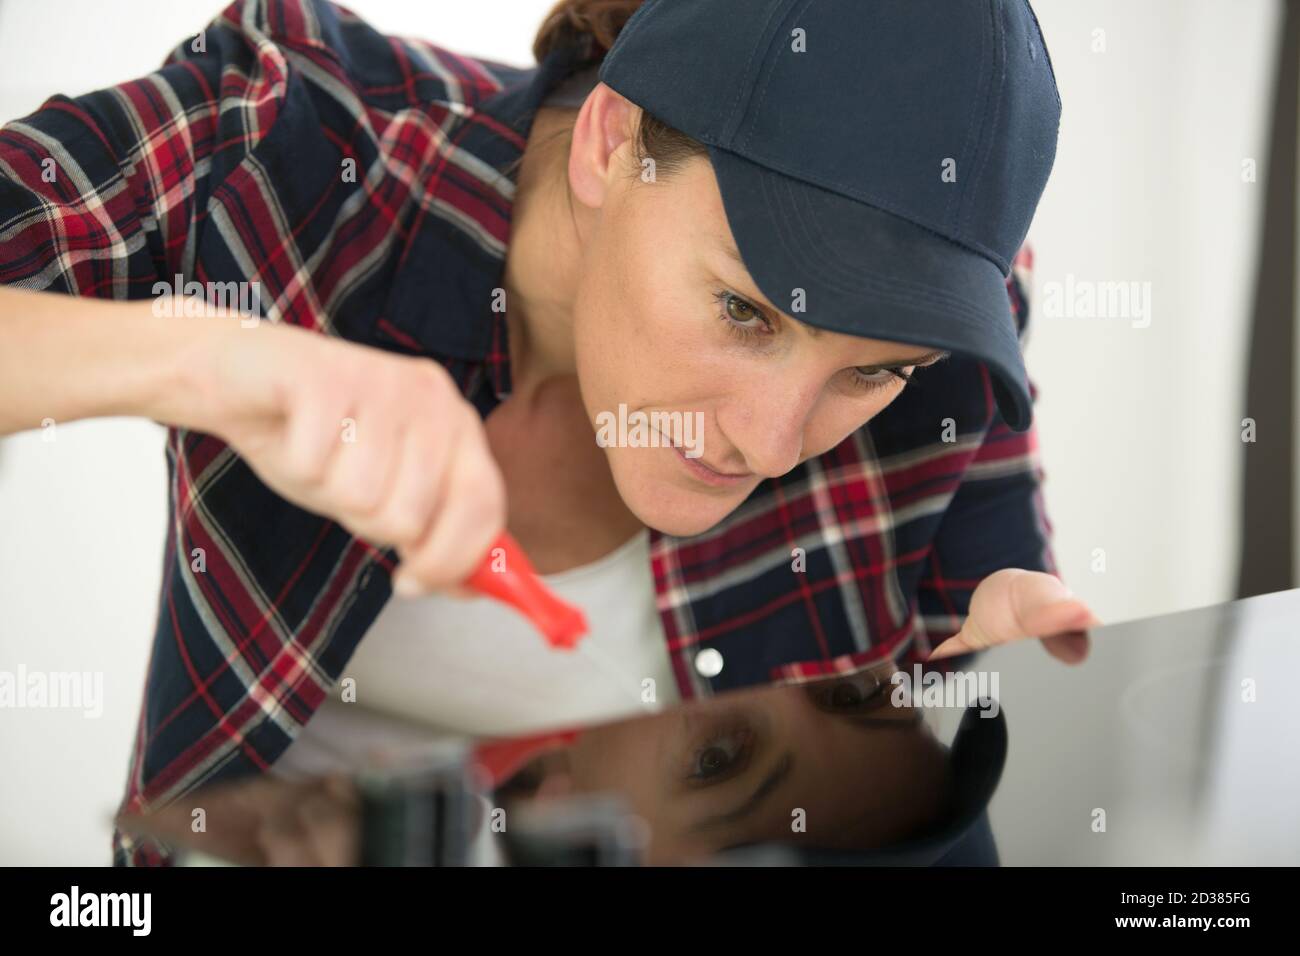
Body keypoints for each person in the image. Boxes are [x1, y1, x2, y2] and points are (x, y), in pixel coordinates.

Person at [0, 0, 1098, 866]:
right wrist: (210, 361)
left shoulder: (953, 343)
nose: (769, 444)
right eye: (742, 309)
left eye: (870, 370)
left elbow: (973, 657)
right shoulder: (287, 142)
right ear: (612, 144)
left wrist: (997, 706)